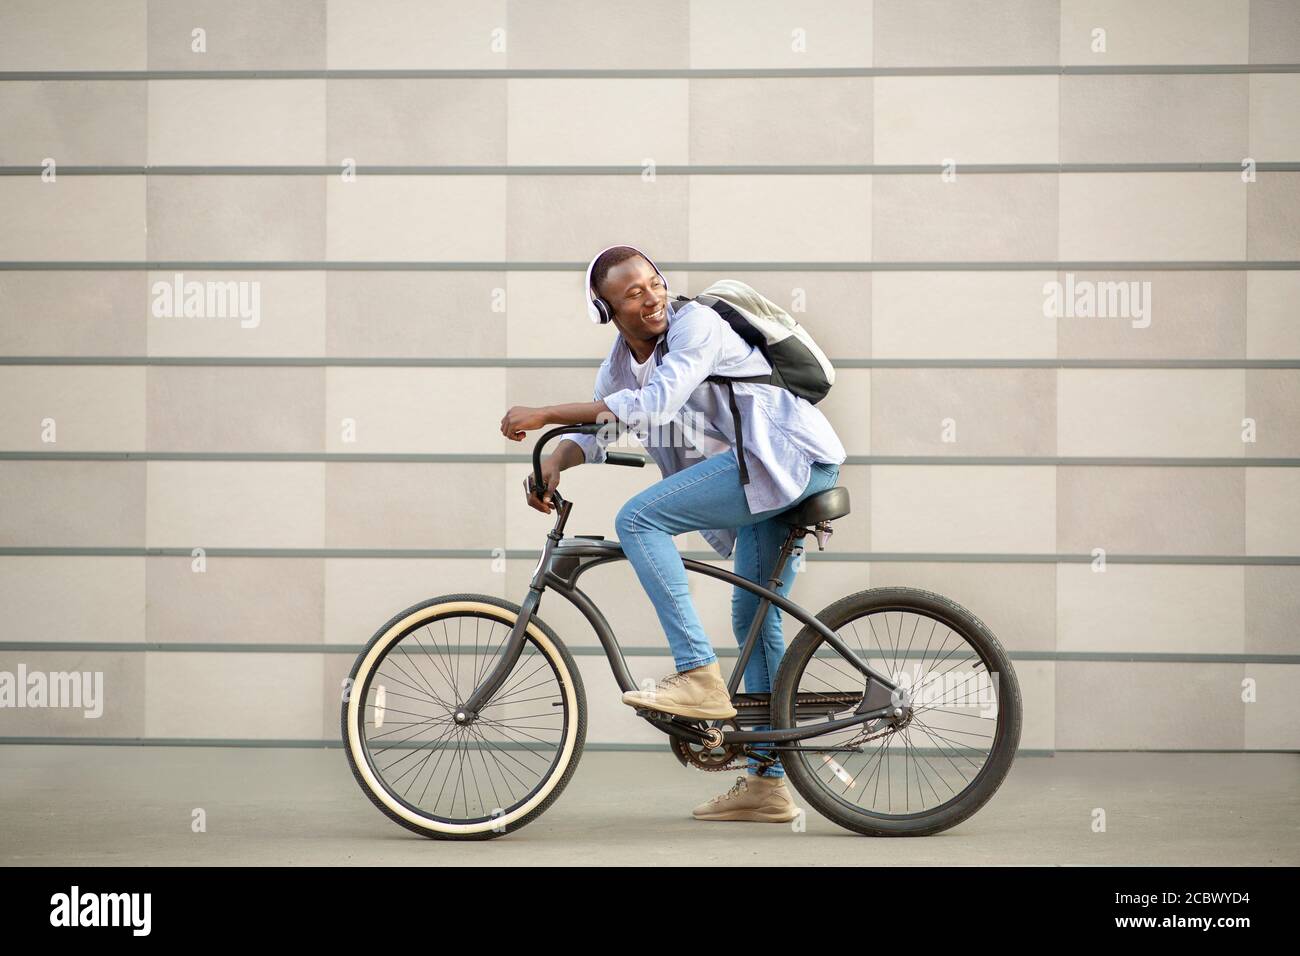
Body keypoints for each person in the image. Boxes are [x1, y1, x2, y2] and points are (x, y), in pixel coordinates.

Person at [499, 244, 846, 823]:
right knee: (752, 616)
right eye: (631, 294)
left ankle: (698, 677)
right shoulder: (619, 362)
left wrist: (543, 413)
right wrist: (555, 458)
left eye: (653, 283)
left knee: (638, 519)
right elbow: (604, 426)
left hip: (781, 459)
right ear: (606, 310)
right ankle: (768, 781)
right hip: (759, 472)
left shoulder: (697, 324)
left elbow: (656, 404)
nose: (651, 297)